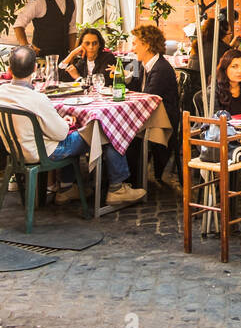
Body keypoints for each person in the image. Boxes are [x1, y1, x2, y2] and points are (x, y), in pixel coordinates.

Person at [0, 45, 145, 208]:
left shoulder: (2, 92)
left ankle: (66, 187)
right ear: (34, 68)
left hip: (15, 150)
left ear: (10, 68)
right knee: (106, 127)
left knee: (82, 129)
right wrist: (65, 122)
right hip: (44, 152)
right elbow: (61, 134)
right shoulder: (37, 99)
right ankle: (117, 188)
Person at [129, 24, 180, 184]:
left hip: (162, 122)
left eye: (135, 43)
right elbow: (135, 89)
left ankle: (130, 180)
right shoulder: (141, 65)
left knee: (126, 133)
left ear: (147, 44)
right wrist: (126, 78)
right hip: (150, 116)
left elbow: (147, 100)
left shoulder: (161, 69)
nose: (132, 48)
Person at [13, 0, 83, 58]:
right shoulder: (39, 0)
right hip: (41, 58)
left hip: (63, 57)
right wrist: (26, 47)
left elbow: (72, 29)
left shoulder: (72, 1)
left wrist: (72, 54)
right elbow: (19, 25)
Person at [214, 49, 241, 116]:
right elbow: (214, 121)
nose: (240, 71)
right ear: (225, 69)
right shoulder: (214, 91)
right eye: (234, 67)